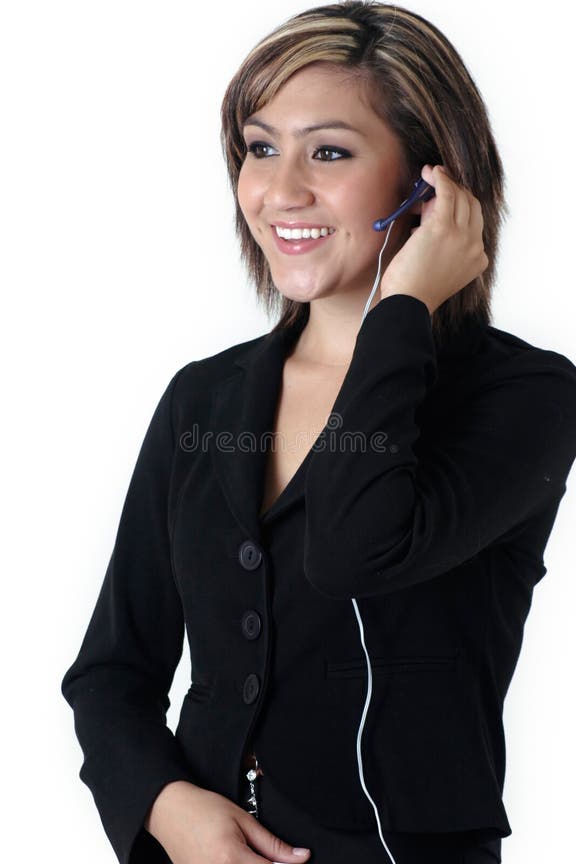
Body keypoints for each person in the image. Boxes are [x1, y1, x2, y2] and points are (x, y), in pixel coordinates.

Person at [61, 2, 576, 863]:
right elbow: (112, 672)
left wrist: (403, 307)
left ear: (431, 180)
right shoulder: (204, 401)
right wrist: (165, 804)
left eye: (328, 152)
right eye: (260, 148)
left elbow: (352, 552)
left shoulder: (524, 396)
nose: (279, 190)